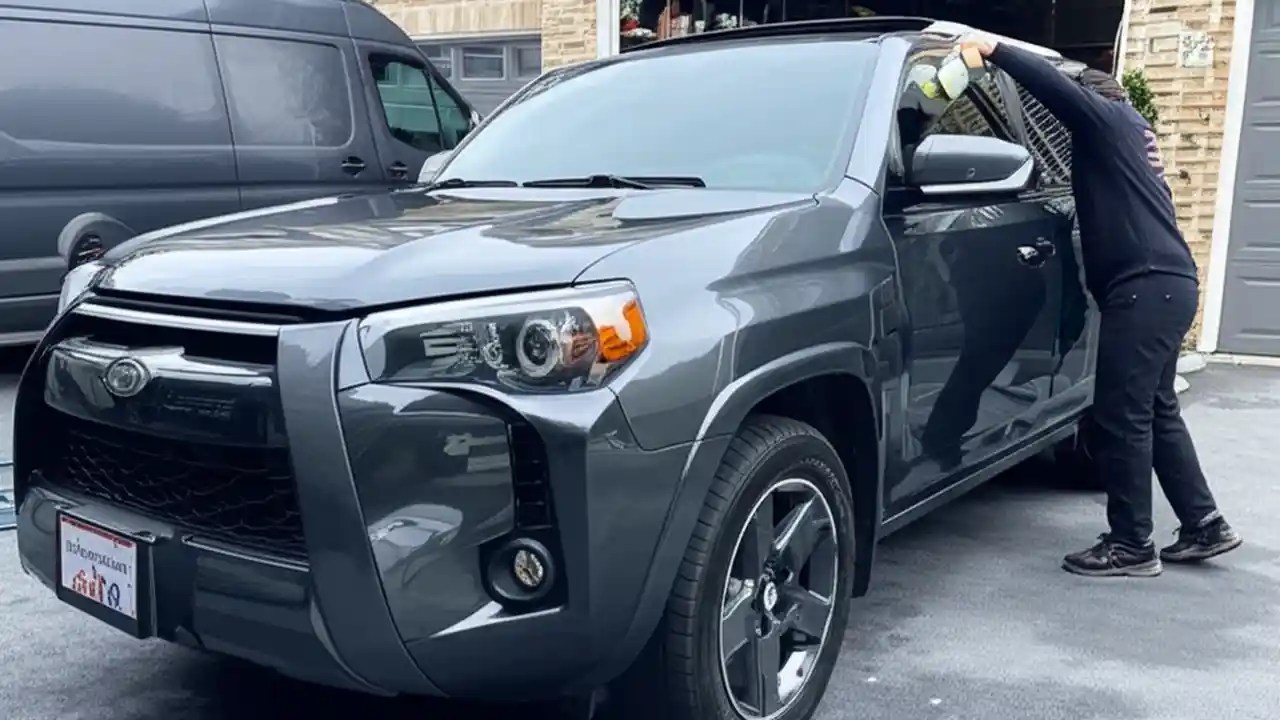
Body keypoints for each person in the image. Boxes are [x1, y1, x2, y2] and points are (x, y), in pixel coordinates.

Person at [957, 36, 1243, 577]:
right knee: (1157, 410)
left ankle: (1131, 544)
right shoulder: (1133, 135)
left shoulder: (1106, 120)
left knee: (1121, 416)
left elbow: (1054, 89)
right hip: (1168, 285)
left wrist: (994, 49)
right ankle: (1204, 523)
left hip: (1144, 288)